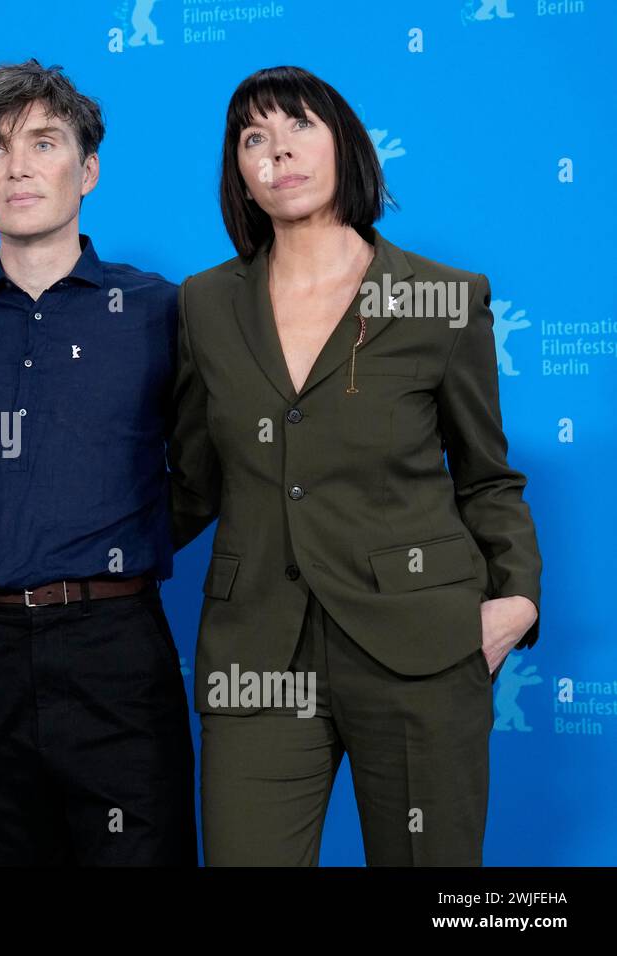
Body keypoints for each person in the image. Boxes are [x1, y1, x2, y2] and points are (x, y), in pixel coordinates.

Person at [168, 66, 542, 866]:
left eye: (299, 126)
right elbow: (192, 481)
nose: (279, 152)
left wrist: (515, 601)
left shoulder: (443, 298)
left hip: (419, 646)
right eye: (254, 138)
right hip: (257, 653)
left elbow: (487, 475)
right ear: (239, 171)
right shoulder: (203, 304)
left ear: (346, 144)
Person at [0, 59, 194, 865]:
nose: (19, 166)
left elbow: (213, 466)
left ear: (88, 169)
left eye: (43, 142)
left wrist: (117, 536)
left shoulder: (158, 310)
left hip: (116, 651)